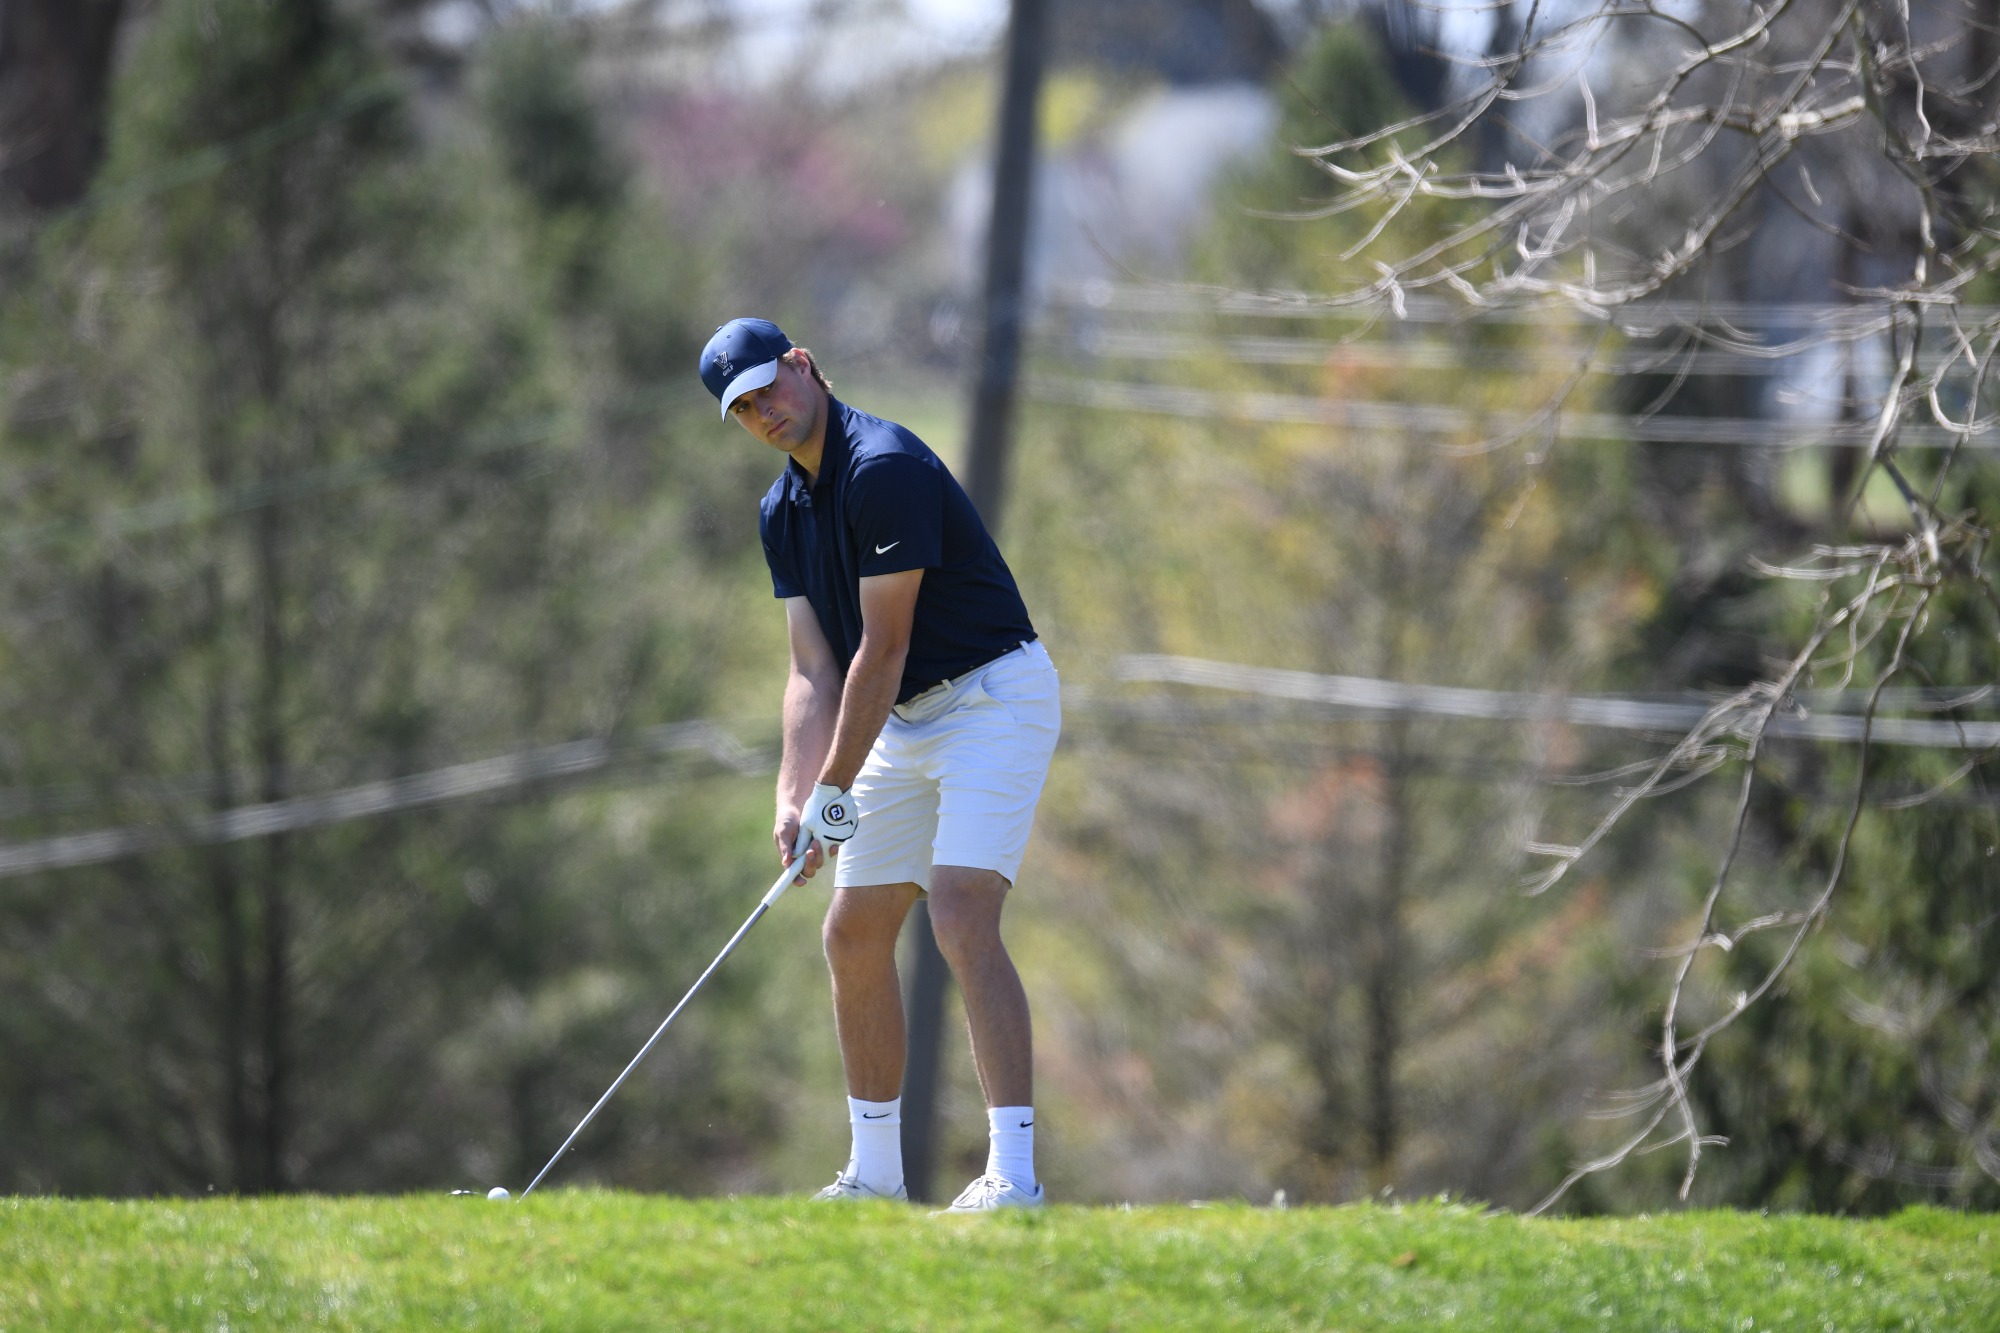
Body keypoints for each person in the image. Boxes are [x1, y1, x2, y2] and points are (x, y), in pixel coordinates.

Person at [699, 317, 1061, 1211]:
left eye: (767, 388)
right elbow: (813, 669)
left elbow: (883, 648)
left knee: (961, 911)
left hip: (992, 697)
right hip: (896, 721)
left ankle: (1013, 1177)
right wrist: (794, 797)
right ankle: (876, 1178)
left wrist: (833, 793)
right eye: (742, 409)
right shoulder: (780, 512)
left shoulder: (884, 466)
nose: (764, 413)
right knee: (851, 932)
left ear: (803, 365)